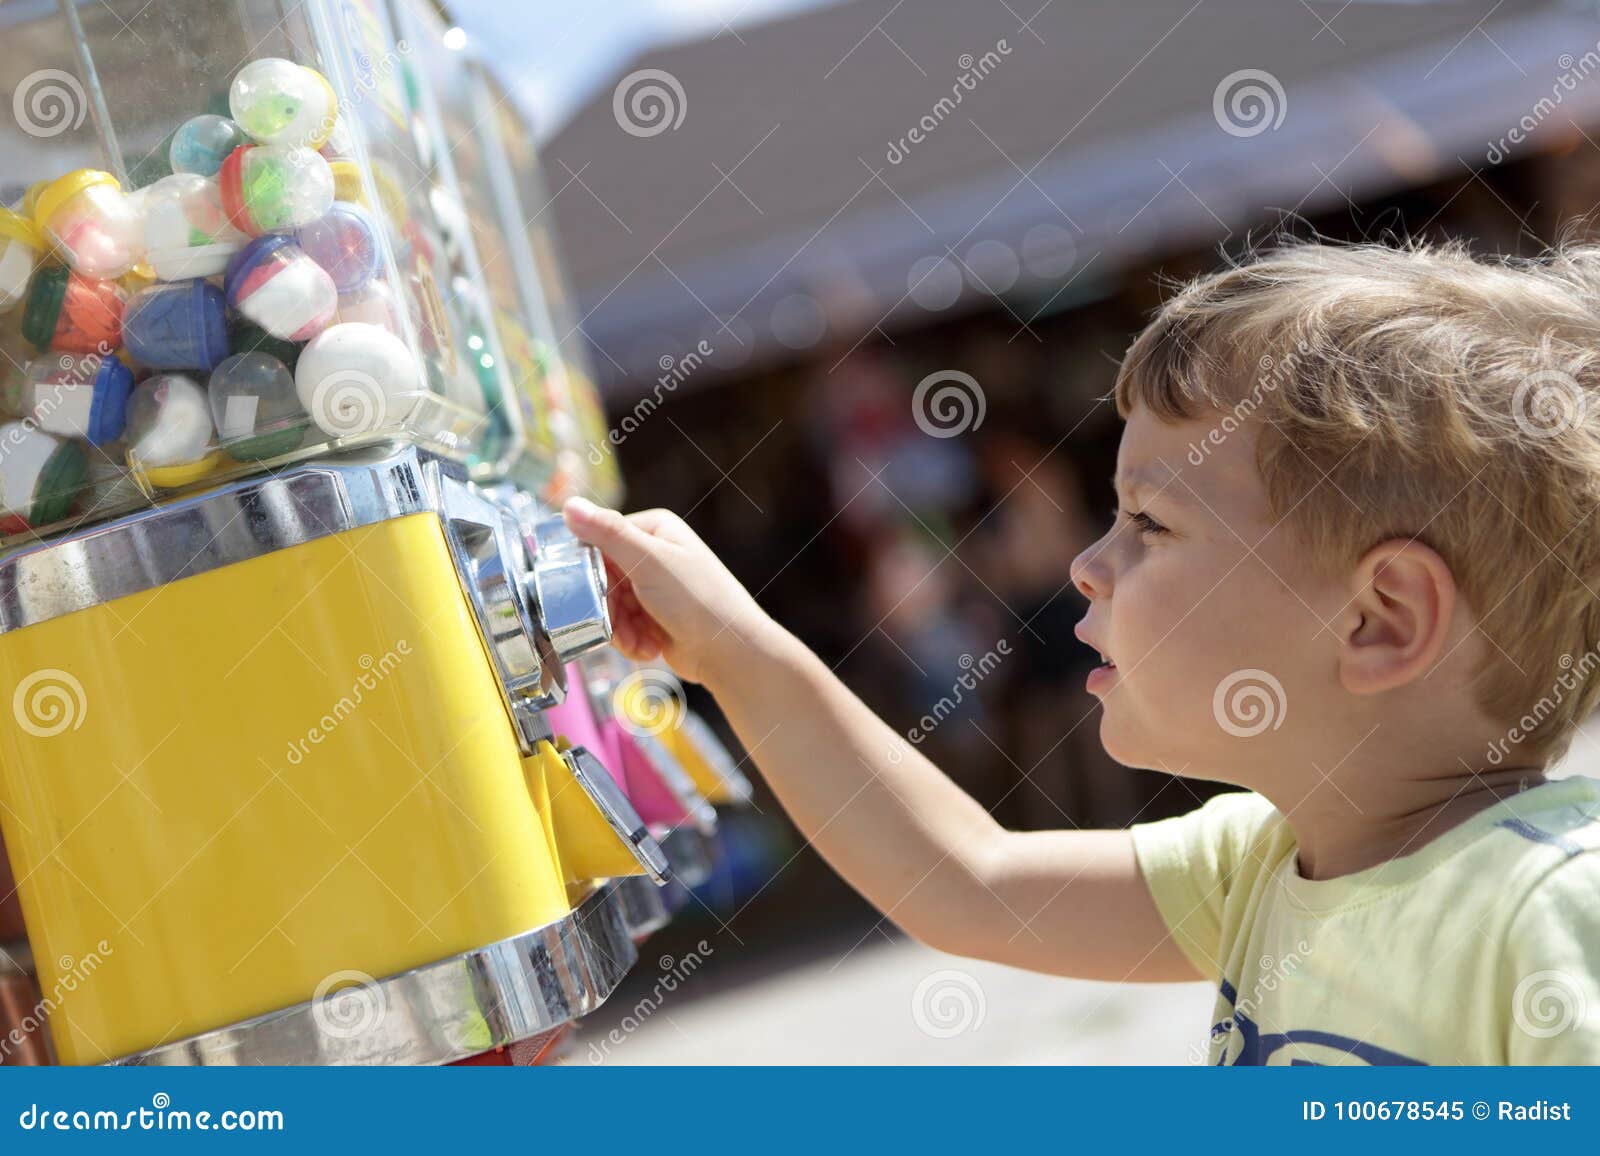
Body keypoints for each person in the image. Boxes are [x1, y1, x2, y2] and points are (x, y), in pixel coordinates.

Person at [563, 236, 1600, 1065]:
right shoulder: (1259, 865)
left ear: (1378, 620)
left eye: (1149, 524)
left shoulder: (1547, 913)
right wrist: (734, 647)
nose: (1085, 567)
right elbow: (966, 879)